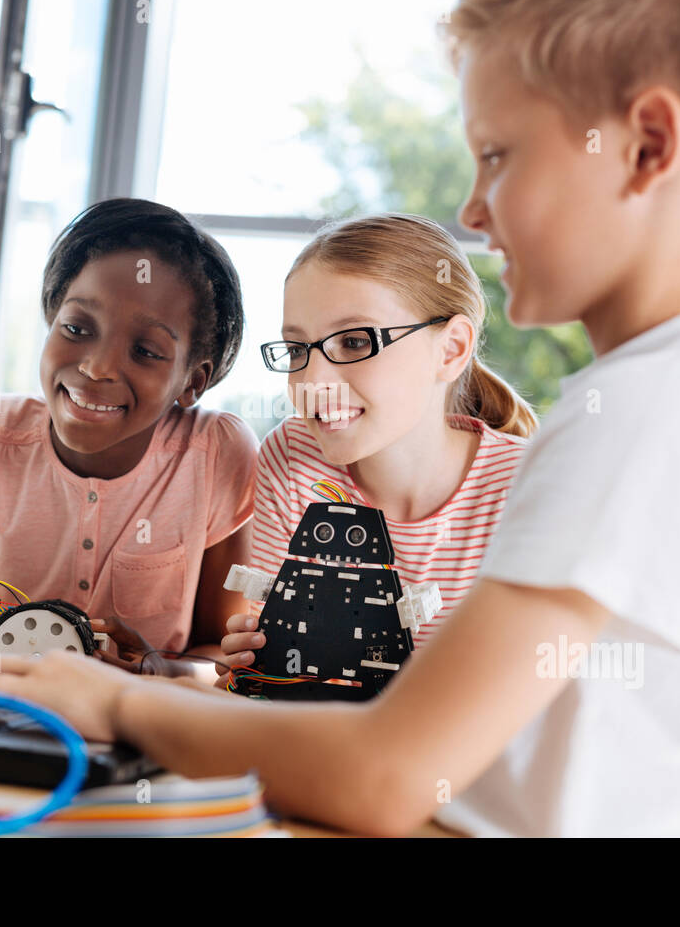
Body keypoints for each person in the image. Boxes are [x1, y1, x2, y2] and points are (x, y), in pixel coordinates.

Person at [0, 0, 680, 836]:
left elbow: (387, 776)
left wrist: (116, 703)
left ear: (648, 146)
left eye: (499, 155)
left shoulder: (650, 408)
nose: (472, 207)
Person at [0, 198, 257, 675]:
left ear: (193, 381)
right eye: (76, 327)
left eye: (146, 351)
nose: (97, 366)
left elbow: (228, 659)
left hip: (131, 731)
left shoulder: (215, 455)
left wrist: (159, 668)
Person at [214, 212, 536, 683]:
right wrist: (257, 666)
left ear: (450, 350)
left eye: (354, 341)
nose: (312, 381)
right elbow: (283, 674)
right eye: (298, 349)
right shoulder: (292, 456)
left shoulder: (530, 486)